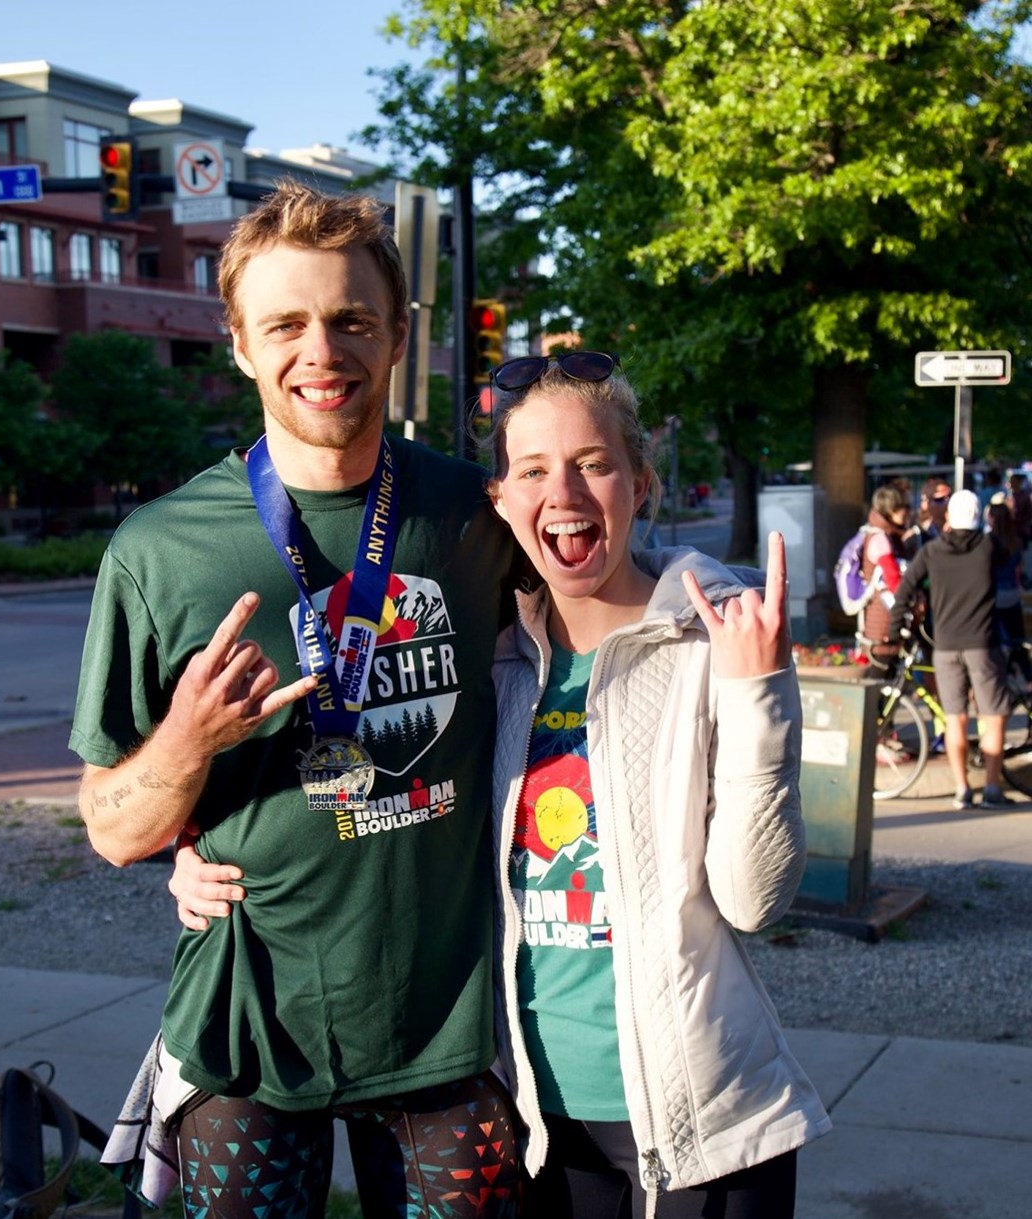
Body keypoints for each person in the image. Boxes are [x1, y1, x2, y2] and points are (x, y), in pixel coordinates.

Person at [176, 353, 832, 1217]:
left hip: (699, 1116)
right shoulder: (493, 660)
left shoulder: (717, 643)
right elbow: (370, 796)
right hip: (539, 1115)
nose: (564, 491)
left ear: (642, 482)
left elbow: (755, 898)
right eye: (533, 469)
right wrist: (196, 852)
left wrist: (756, 694)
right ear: (501, 502)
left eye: (594, 464)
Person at [70, 181, 521, 1218]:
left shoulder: (470, 512)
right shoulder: (160, 547)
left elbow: (603, 614)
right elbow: (109, 823)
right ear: (238, 343)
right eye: (286, 324)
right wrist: (184, 744)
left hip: (444, 1027)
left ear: (398, 333)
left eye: (352, 319)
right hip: (249, 1036)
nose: (322, 350)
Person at [890, 489, 1015, 811]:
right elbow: (1005, 553)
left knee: (955, 719)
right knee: (994, 717)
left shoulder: (932, 552)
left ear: (948, 518)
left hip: (945, 647)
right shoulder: (988, 547)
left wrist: (896, 629)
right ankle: (991, 788)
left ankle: (961, 789)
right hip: (983, 645)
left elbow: (904, 589)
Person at [857, 483, 912, 674]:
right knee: (881, 683)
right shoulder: (881, 540)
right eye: (903, 507)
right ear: (890, 510)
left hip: (882, 619)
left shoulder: (885, 535)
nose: (907, 512)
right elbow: (895, 583)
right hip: (884, 624)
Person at [986, 495, 1032, 689]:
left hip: (995, 596)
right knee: (1017, 639)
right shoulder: (1015, 542)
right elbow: (1019, 571)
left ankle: (1004, 675)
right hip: (1012, 594)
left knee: (996, 640)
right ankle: (1028, 677)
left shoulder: (987, 543)